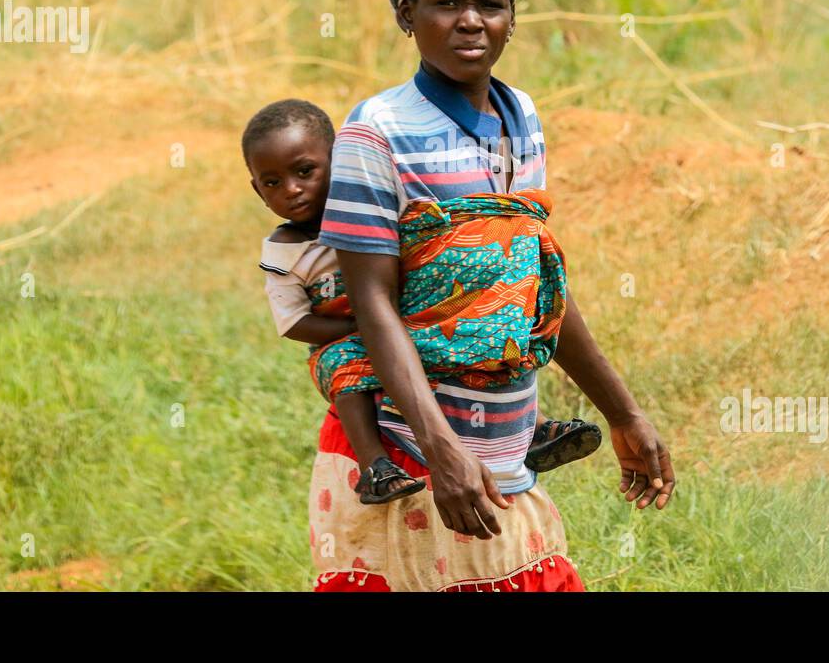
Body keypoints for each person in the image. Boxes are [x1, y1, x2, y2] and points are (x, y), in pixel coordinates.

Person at [303, 0, 675, 592]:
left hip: (500, 453)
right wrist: (440, 448)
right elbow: (372, 303)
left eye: (491, 4)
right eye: (447, 3)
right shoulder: (376, 131)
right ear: (406, 15)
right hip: (409, 455)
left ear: (511, 18)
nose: (471, 21)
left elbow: (533, 285)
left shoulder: (522, 118)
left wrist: (625, 413)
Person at [243, 99, 603, 506]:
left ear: (340, 161)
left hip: (410, 315)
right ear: (258, 190)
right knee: (344, 375)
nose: (291, 189)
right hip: (344, 337)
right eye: (272, 183)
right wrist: (365, 327)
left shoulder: (377, 207)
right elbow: (293, 323)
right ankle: (376, 466)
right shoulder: (283, 254)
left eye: (305, 172)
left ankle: (530, 427)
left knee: (471, 323)